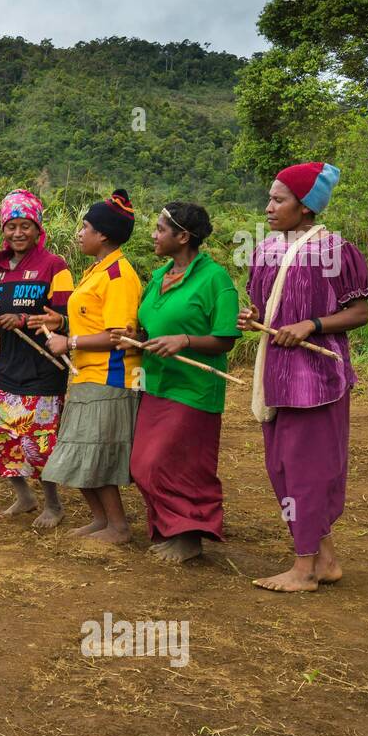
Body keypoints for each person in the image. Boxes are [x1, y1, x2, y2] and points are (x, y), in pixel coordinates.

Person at [238, 162, 368, 592]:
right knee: (282, 468)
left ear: (306, 206)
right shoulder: (265, 250)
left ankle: (303, 568)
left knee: (307, 470)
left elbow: (359, 313)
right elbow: (266, 306)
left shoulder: (336, 250)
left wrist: (310, 325)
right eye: (270, 198)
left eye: (279, 199)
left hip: (316, 379)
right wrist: (253, 316)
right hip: (276, 376)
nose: (269, 206)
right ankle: (325, 559)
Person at [114, 202, 239, 562]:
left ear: (183, 237)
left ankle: (189, 535)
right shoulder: (158, 276)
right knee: (141, 465)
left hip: (194, 388)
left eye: (160, 229)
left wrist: (184, 341)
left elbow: (225, 337)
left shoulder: (215, 280)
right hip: (157, 383)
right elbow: (152, 324)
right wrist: (135, 334)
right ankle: (172, 528)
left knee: (175, 464)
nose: (153, 235)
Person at [31, 189, 142, 544]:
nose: (80, 232)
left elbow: (119, 336)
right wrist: (62, 323)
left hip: (108, 377)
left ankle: (118, 526)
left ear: (103, 235)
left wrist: (70, 342)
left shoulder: (118, 276)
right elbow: (92, 321)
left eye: (86, 226)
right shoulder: (98, 270)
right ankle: (101, 519)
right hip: (86, 376)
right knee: (79, 451)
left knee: (95, 451)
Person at [0, 189, 73, 528]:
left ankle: (53, 504)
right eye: (11, 226)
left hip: (44, 369)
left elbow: (64, 318)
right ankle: (24, 496)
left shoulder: (55, 266)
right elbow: (3, 326)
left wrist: (23, 320)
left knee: (38, 443)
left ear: (38, 227)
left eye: (25, 225)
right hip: (8, 366)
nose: (17, 233)